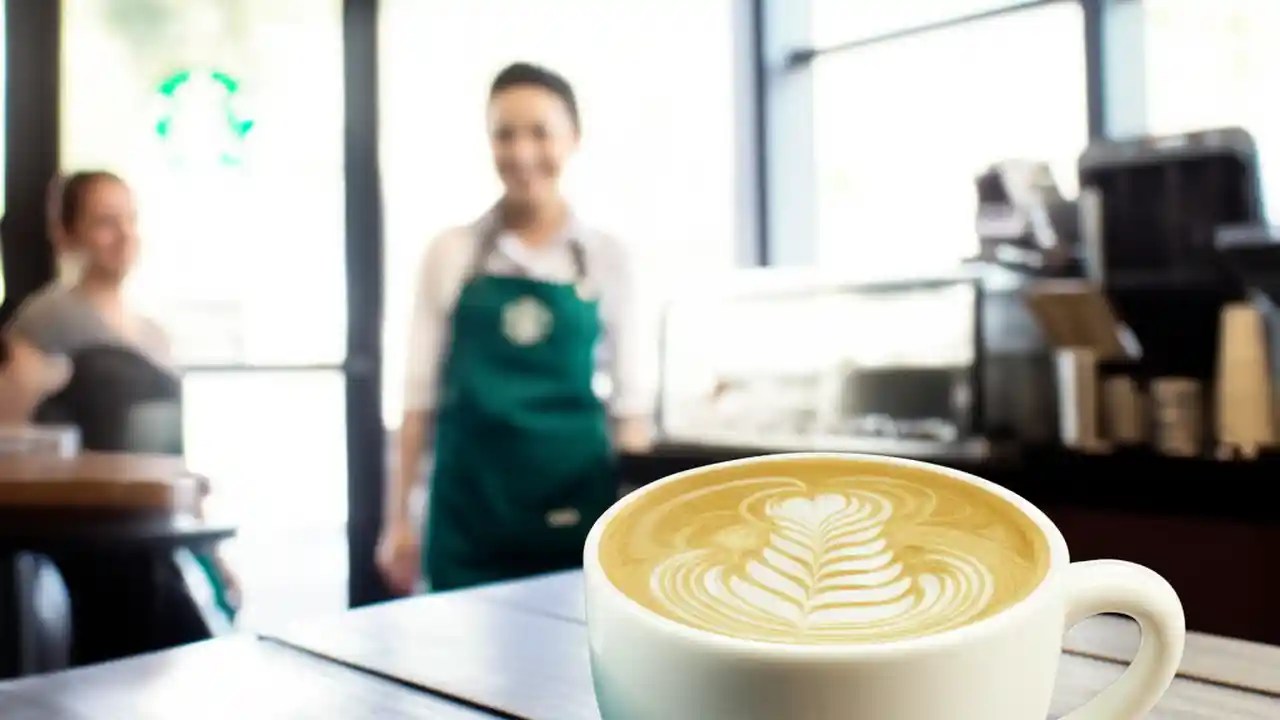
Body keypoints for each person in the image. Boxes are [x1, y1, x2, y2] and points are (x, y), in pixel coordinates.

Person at [377, 62, 654, 595]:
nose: (522, 154)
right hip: (467, 517)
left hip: (576, 512)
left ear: (573, 138)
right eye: (505, 135)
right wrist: (397, 522)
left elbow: (630, 412)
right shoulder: (452, 253)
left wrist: (634, 532)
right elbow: (417, 403)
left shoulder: (605, 258)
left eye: (540, 133)